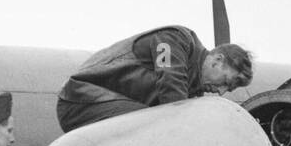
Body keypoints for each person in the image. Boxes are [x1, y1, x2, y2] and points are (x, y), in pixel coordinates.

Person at [57, 25, 253, 132]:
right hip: (81, 98)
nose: (220, 92)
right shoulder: (175, 39)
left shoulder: (192, 92)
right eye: (226, 82)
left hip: (101, 105)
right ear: (217, 60)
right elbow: (170, 82)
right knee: (152, 128)